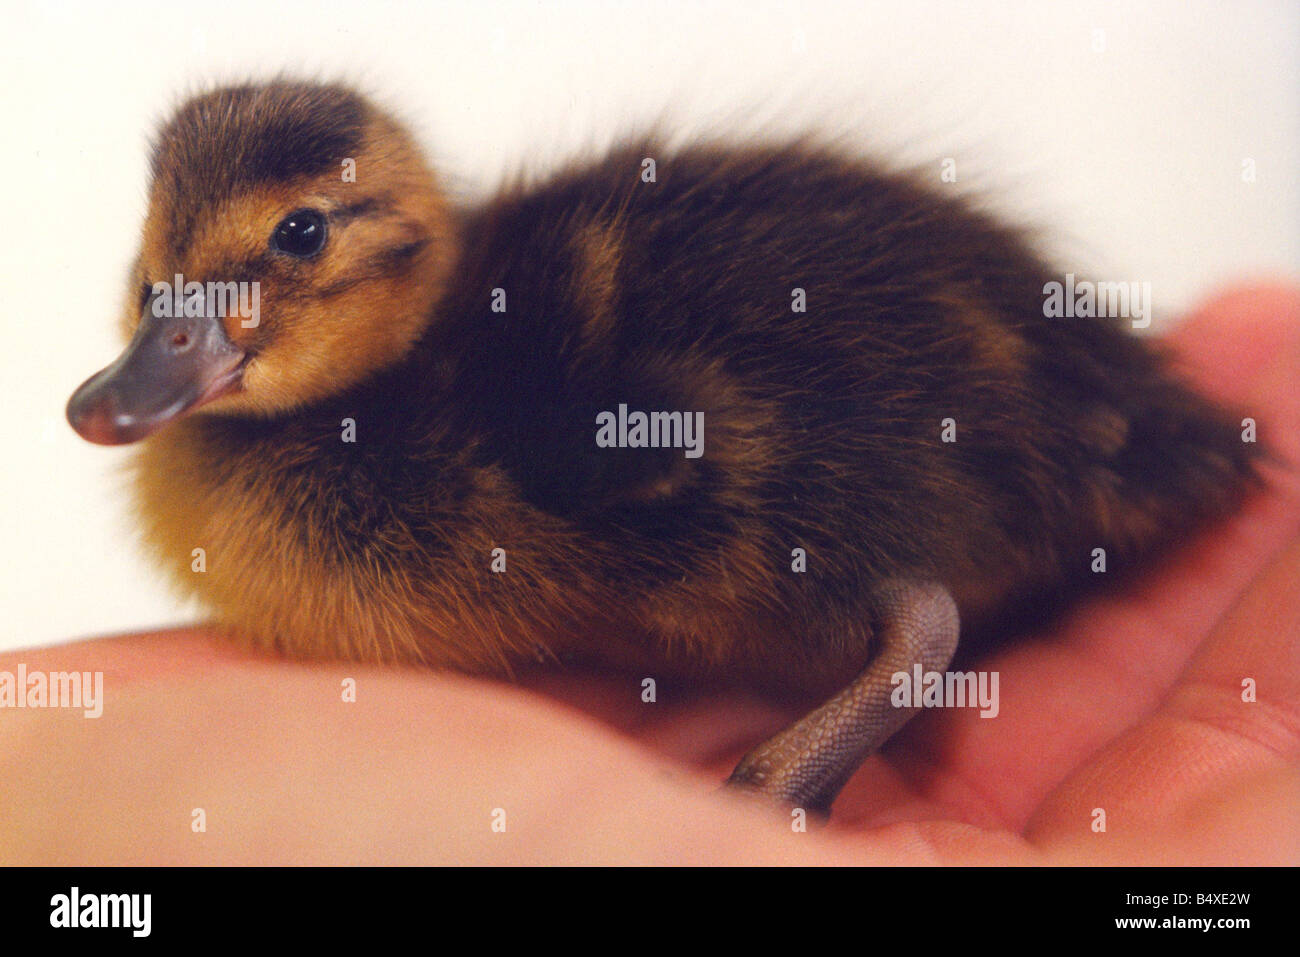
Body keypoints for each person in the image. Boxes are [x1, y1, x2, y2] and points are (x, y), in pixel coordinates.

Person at [3, 284, 1296, 865]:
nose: (173, 343)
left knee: (679, 452)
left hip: (986, 450)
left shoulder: (482, 430)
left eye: (283, 246)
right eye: (175, 287)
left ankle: (908, 638)